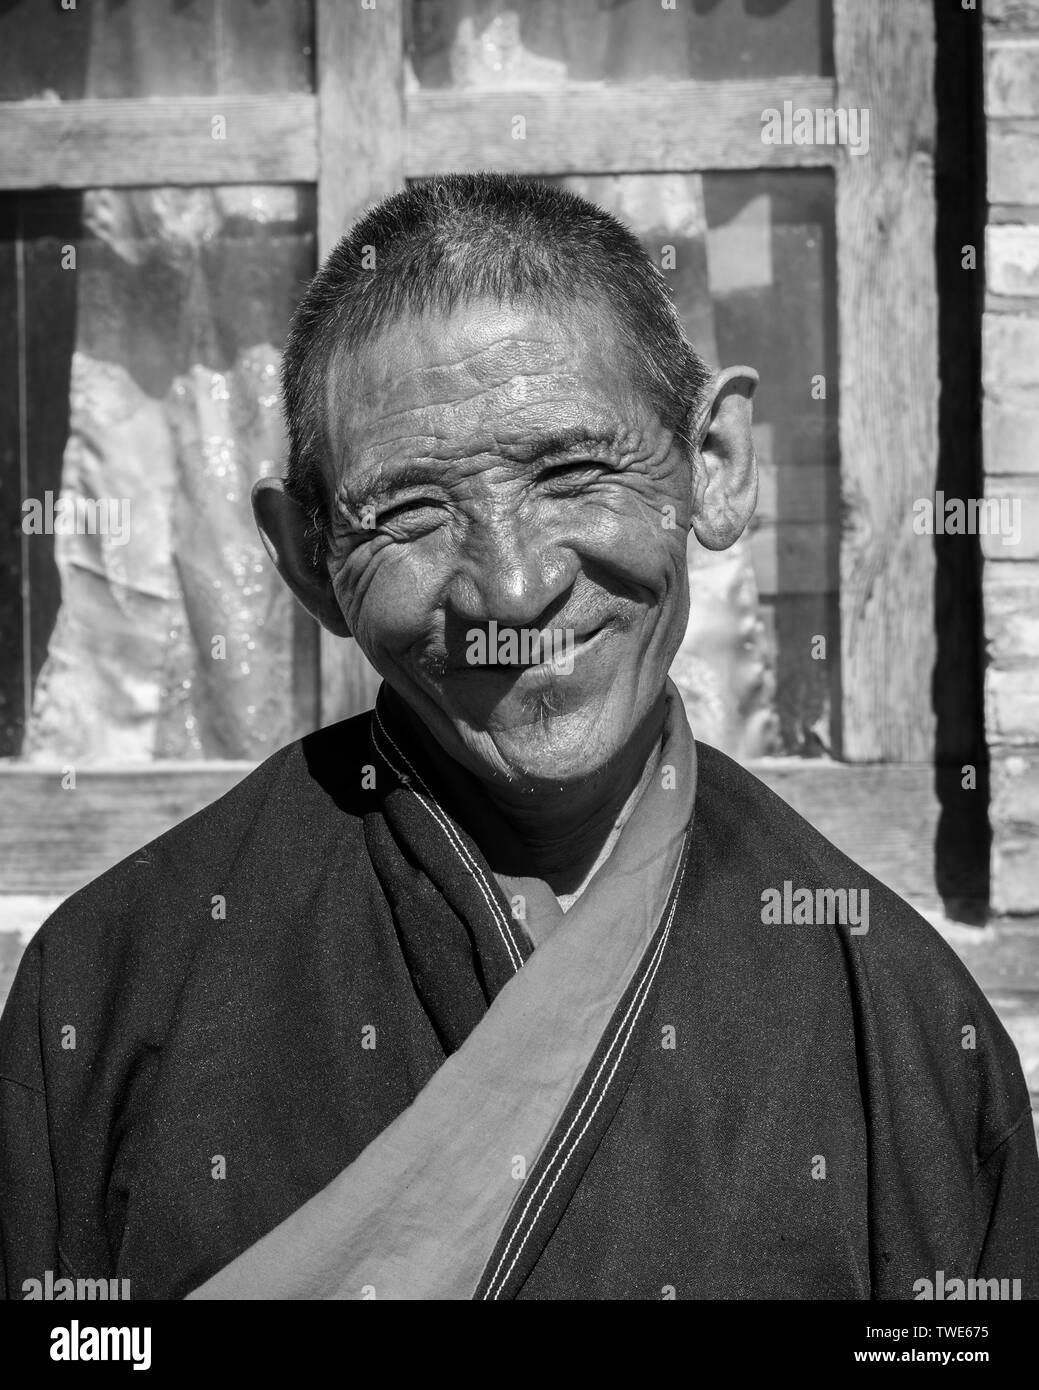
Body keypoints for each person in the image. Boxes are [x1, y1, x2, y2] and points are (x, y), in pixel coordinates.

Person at [2, 173, 1036, 1301]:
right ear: (306, 557)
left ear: (717, 467)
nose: (510, 589)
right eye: (409, 512)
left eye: (572, 473)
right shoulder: (111, 989)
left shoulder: (903, 1025)